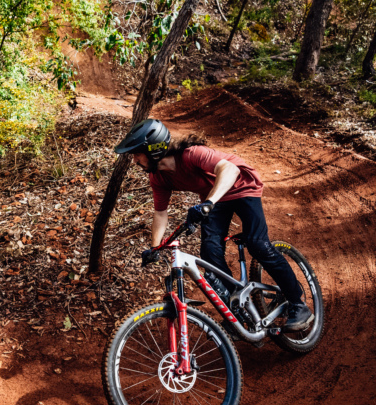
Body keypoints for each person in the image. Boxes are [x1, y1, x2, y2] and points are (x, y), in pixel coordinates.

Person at [114, 118, 313, 332]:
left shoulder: (192, 154)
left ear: (152, 149)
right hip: (216, 200)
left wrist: (209, 202)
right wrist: (155, 247)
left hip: (241, 188)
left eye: (137, 154)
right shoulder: (158, 177)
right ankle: (239, 310)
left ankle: (298, 305)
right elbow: (160, 213)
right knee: (210, 254)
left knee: (257, 244)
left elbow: (230, 169)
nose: (134, 160)